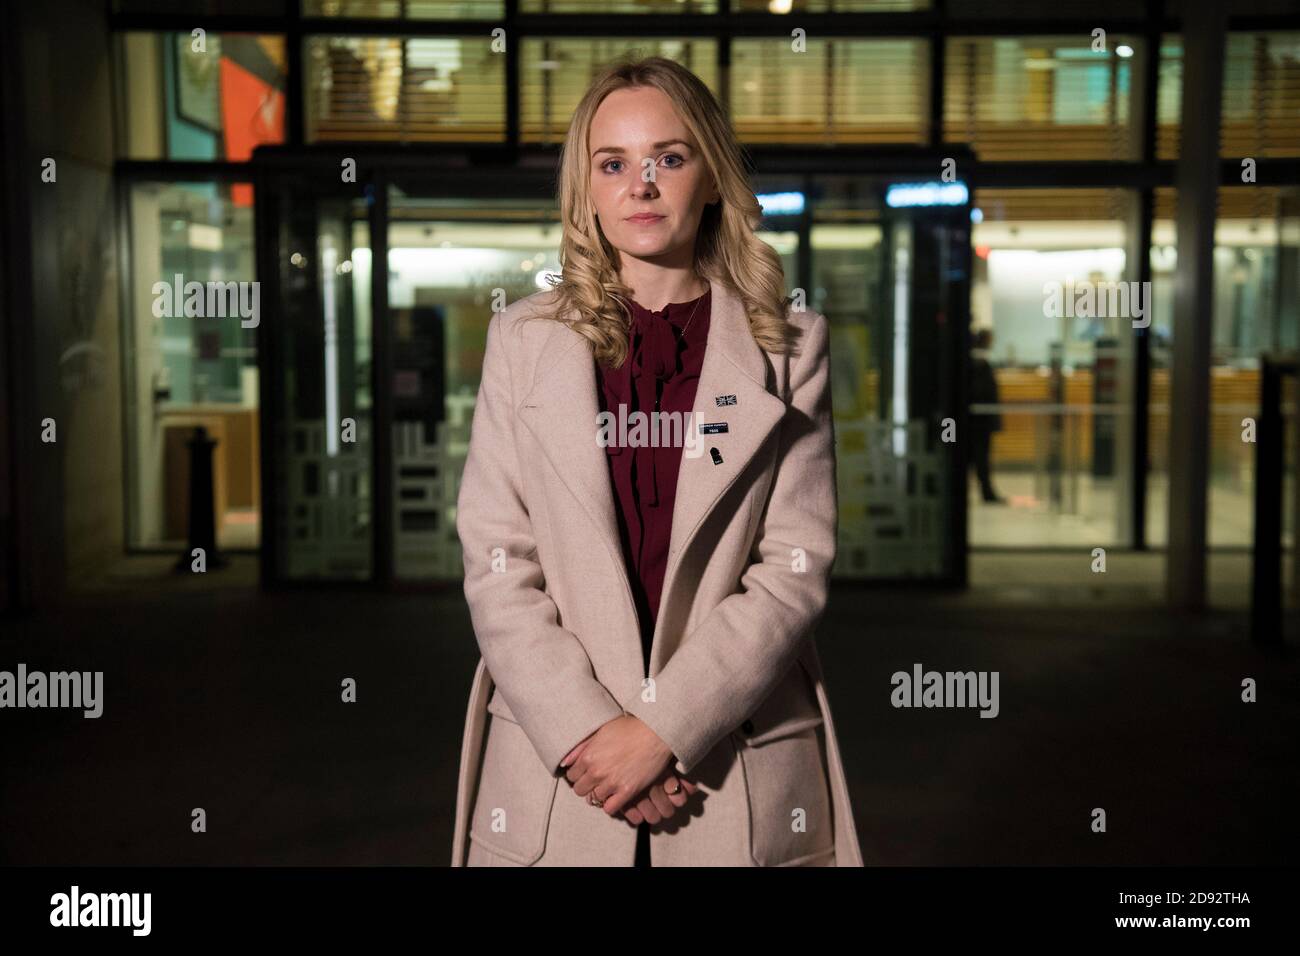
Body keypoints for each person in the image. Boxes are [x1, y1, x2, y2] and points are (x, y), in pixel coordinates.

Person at [449, 55, 863, 867]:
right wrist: (593, 733)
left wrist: (665, 729)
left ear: (711, 176)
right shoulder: (524, 340)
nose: (640, 185)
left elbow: (793, 564)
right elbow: (498, 563)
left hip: (734, 760)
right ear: (588, 187)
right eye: (613, 164)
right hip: (560, 769)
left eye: (667, 158)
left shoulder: (790, 344)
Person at [969, 326, 1005, 504]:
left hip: (964, 422)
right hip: (977, 422)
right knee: (980, 457)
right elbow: (984, 392)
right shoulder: (979, 363)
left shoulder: (978, 362)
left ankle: (986, 492)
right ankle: (987, 492)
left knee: (976, 457)